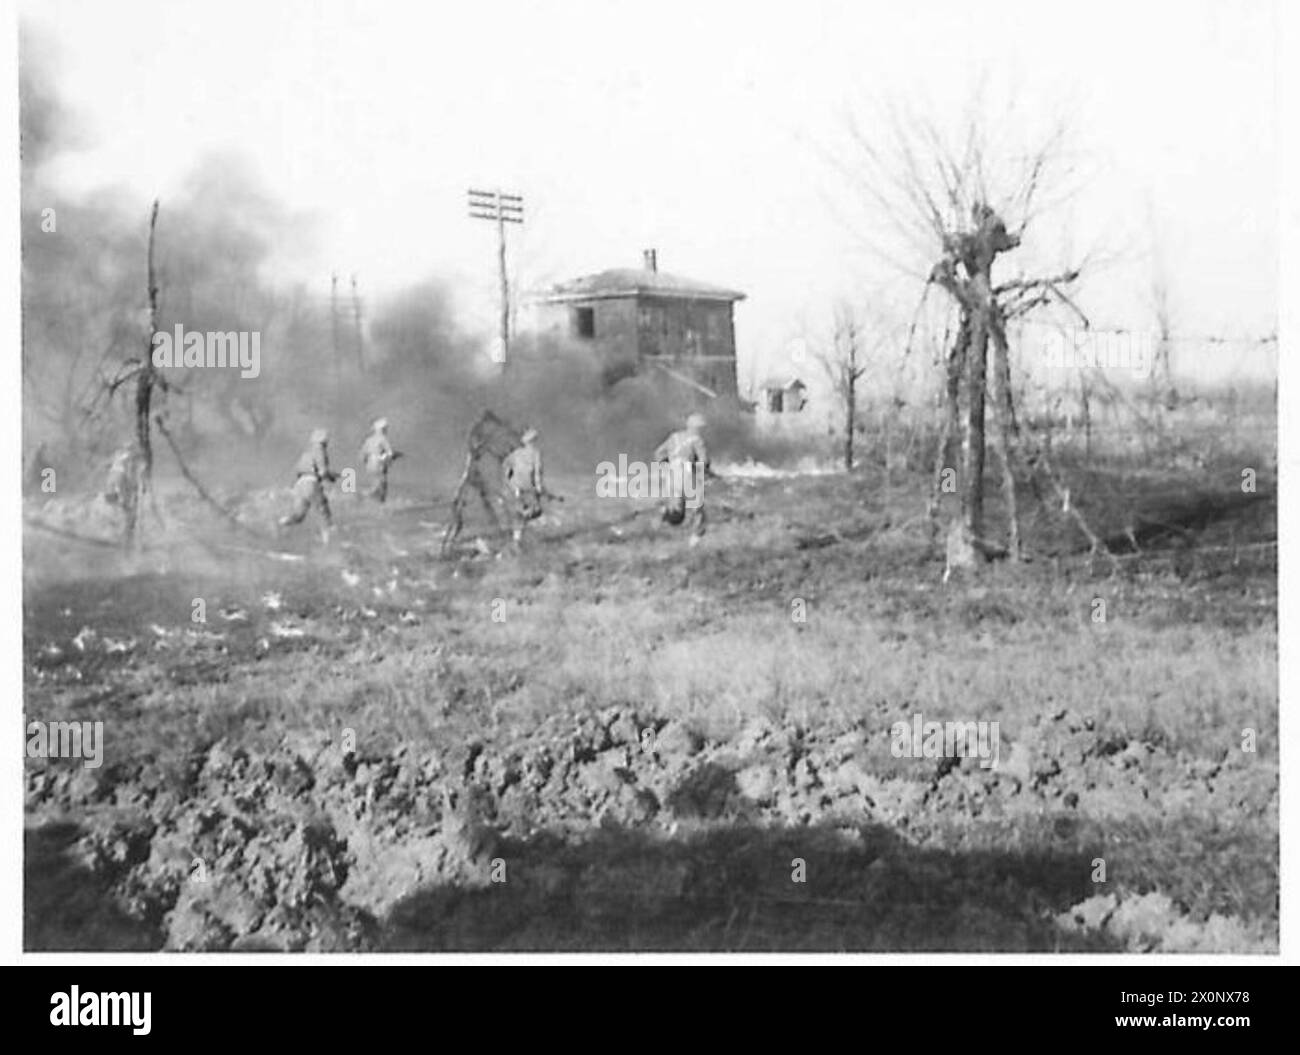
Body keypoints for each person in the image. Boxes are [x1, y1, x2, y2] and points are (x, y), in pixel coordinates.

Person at [653, 412, 711, 545]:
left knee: (674, 498)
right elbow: (704, 460)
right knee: (697, 508)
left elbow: (658, 453)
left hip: (672, 474)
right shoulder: (696, 439)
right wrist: (704, 472)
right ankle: (696, 537)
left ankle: (665, 517)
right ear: (698, 428)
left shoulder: (674, 437)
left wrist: (665, 466)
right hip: (686, 475)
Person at [278, 427, 337, 543]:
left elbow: (297, 470)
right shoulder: (320, 451)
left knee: (298, 515)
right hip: (311, 484)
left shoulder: (306, 453)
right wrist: (332, 476)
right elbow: (322, 472)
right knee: (323, 512)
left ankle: (281, 524)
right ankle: (328, 542)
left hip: (299, 485)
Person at [501, 426, 545, 543]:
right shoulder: (535, 454)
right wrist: (539, 488)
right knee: (530, 511)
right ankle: (518, 538)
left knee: (519, 513)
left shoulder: (516, 453)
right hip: (526, 487)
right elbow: (537, 472)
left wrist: (509, 481)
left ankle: (517, 537)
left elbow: (506, 467)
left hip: (517, 487)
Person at [359, 417, 397, 503]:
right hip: (379, 465)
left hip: (369, 465)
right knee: (382, 485)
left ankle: (371, 498)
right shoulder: (383, 439)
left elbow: (362, 454)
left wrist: (366, 463)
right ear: (382, 429)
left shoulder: (368, 440)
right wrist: (392, 458)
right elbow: (389, 453)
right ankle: (370, 497)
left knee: (375, 483)